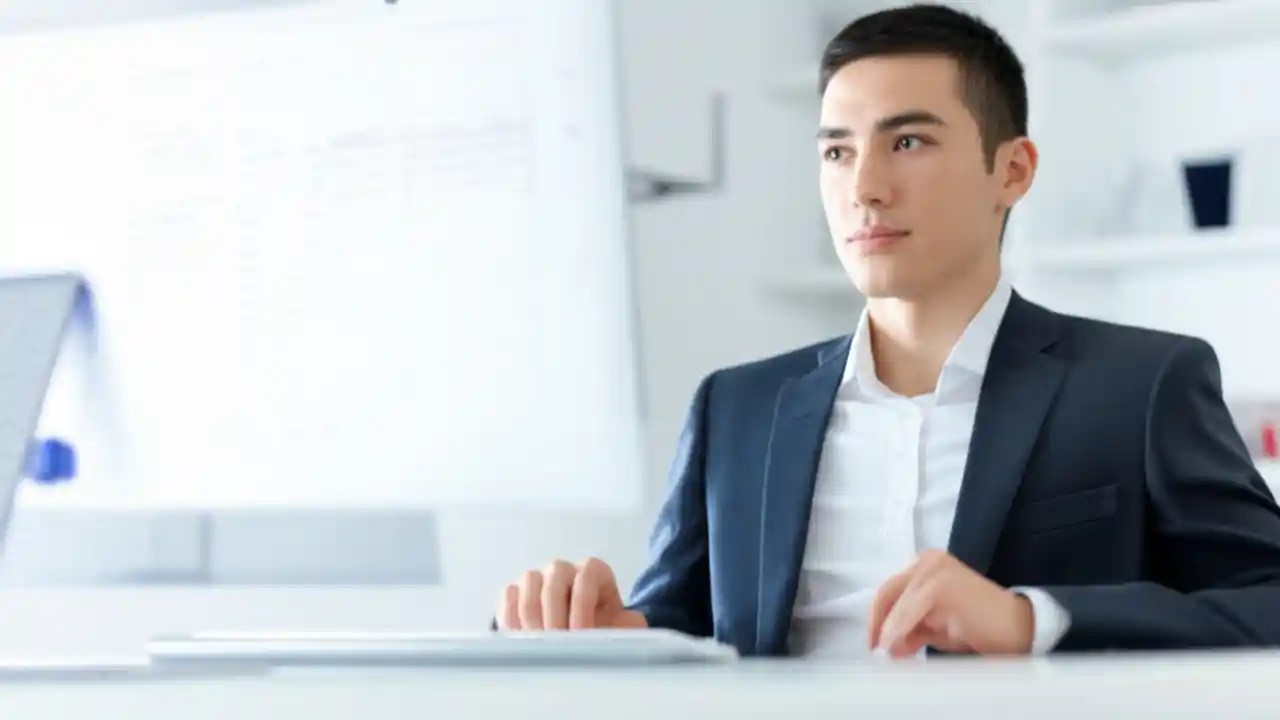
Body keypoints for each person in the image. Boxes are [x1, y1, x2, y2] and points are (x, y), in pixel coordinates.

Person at [495, 3, 1280, 657]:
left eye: (908, 142)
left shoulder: (1139, 384)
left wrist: (1030, 619)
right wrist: (604, 632)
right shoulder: (736, 408)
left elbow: (1267, 603)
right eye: (838, 151)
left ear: (1012, 170)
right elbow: (683, 631)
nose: (864, 188)